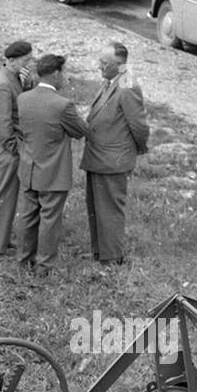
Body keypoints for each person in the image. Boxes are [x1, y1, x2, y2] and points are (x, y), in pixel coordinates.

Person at [15, 54, 86, 271]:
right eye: (63, 73)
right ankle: (44, 264)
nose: (65, 78)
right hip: (53, 172)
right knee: (49, 218)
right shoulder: (63, 105)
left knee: (27, 215)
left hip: (28, 167)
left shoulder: (23, 98)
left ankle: (24, 259)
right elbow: (81, 131)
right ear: (56, 74)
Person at [81, 43, 149, 267]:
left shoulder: (127, 86)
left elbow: (139, 125)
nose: (99, 66)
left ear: (120, 65)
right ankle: (100, 252)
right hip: (99, 156)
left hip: (112, 160)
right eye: (100, 61)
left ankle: (112, 258)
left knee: (109, 210)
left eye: (104, 63)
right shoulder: (111, 81)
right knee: (95, 207)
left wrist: (137, 148)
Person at [0, 40, 35, 259]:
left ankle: (0, 240)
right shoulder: (2, 84)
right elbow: (2, 124)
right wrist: (16, 149)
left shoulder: (13, 77)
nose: (28, 64)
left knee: (9, 196)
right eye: (25, 60)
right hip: (6, 149)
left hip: (10, 148)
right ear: (11, 60)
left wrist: (28, 84)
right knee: (2, 196)